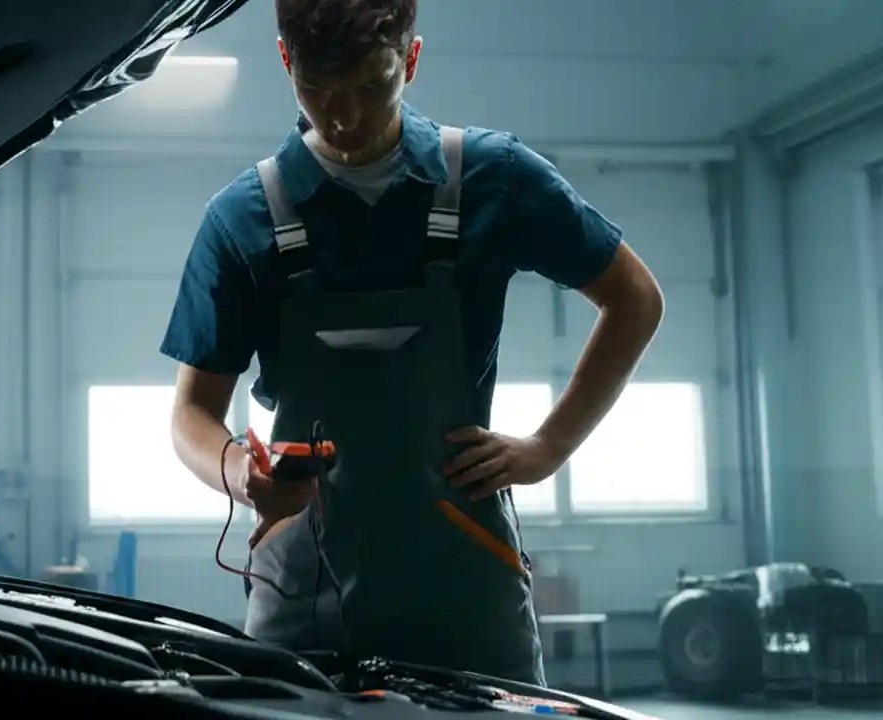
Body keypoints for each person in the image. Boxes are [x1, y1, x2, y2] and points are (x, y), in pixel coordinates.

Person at [162, 0, 664, 685]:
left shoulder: (497, 179)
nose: (343, 118)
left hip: (464, 577)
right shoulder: (240, 220)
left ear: (412, 59)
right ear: (286, 63)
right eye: (318, 87)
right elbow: (191, 413)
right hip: (302, 583)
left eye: (372, 85)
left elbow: (634, 299)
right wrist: (235, 473)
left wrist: (548, 449)